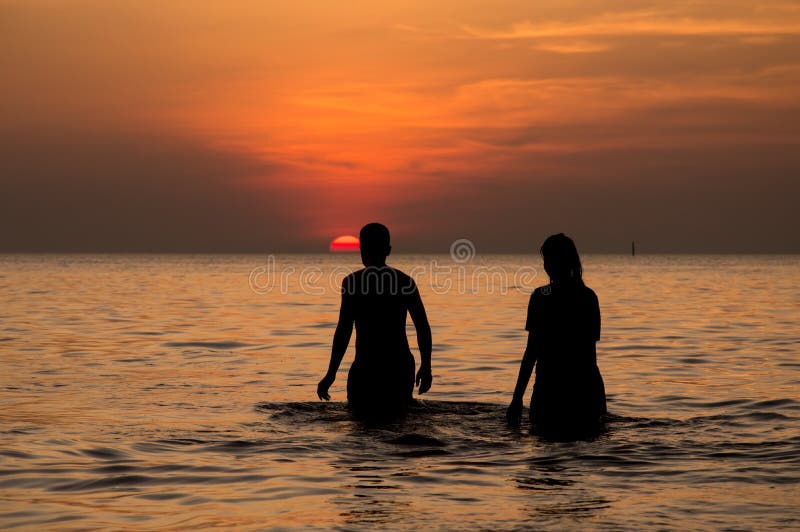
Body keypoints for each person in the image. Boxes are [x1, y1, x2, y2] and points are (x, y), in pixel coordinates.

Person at [317, 223, 433, 418]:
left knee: (361, 426)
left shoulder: (353, 282)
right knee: (400, 422)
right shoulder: (404, 281)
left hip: (366, 367)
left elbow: (344, 330)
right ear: (388, 250)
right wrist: (426, 366)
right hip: (399, 367)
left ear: (362, 250)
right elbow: (422, 327)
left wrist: (331, 373)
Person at [506, 233, 607, 437]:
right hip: (584, 390)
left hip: (550, 392)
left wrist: (517, 399)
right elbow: (590, 355)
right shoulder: (588, 297)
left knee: (546, 453)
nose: (546, 265)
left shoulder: (541, 297)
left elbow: (531, 353)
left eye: (549, 260)